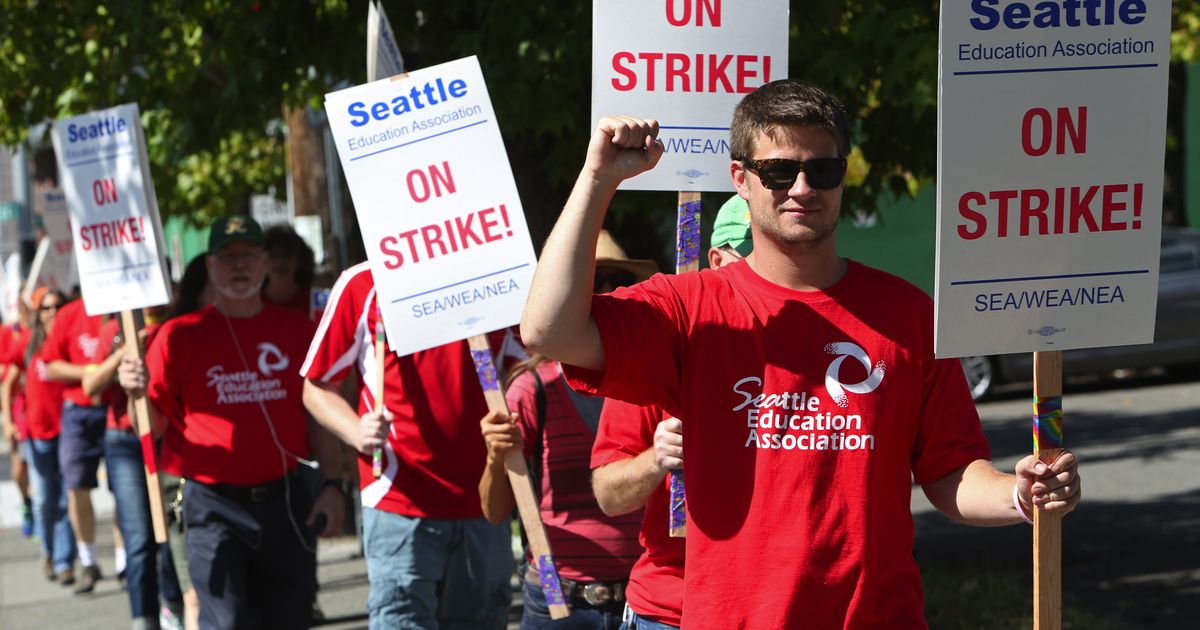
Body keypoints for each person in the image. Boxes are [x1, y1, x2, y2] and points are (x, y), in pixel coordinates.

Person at [520, 80, 1082, 627]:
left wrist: (1019, 492)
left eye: (823, 169)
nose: (802, 187)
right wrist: (599, 178)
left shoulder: (909, 315)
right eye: (780, 171)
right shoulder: (687, 308)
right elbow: (546, 331)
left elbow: (950, 474)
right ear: (741, 178)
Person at [118, 215, 345, 629]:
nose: (239, 265)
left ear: (264, 263)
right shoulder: (177, 336)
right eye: (228, 257)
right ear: (210, 267)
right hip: (213, 507)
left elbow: (320, 416)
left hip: (287, 501)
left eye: (249, 255)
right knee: (226, 622)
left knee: (290, 619)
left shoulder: (298, 330)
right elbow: (151, 429)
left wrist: (332, 484)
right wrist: (136, 393)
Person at [301, 262, 514, 630]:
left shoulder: (496, 269)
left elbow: (535, 370)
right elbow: (316, 386)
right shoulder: (363, 283)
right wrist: (356, 430)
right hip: (398, 501)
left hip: (486, 501)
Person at [591, 196, 752, 630]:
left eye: (616, 279)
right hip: (666, 608)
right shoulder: (654, 354)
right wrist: (656, 459)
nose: (604, 293)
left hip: (768, 604)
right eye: (752, 252)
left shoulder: (808, 352)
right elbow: (607, 493)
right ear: (716, 259)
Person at [479, 230, 653, 629]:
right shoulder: (531, 390)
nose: (607, 295)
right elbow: (495, 511)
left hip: (641, 602)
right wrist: (495, 456)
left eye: (619, 283)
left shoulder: (652, 382)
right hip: (558, 600)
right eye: (593, 283)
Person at [83, 305, 185, 630]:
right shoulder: (110, 329)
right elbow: (91, 387)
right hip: (124, 442)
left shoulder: (176, 326)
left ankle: (175, 605)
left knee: (170, 530)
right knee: (139, 536)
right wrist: (122, 356)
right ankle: (144, 617)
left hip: (166, 437)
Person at [6, 288, 76, 583]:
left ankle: (64, 562)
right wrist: (9, 422)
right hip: (36, 433)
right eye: (46, 308)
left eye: (58, 306)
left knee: (65, 498)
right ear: (38, 313)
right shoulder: (27, 343)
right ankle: (48, 550)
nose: (52, 312)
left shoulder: (70, 340)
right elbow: (8, 382)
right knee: (45, 499)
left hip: (69, 431)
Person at [41, 290, 108, 593]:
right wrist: (92, 372)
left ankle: (125, 562)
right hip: (77, 413)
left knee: (127, 488)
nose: (52, 310)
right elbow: (52, 364)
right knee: (76, 489)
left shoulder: (122, 309)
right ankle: (88, 560)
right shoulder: (69, 315)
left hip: (117, 410)